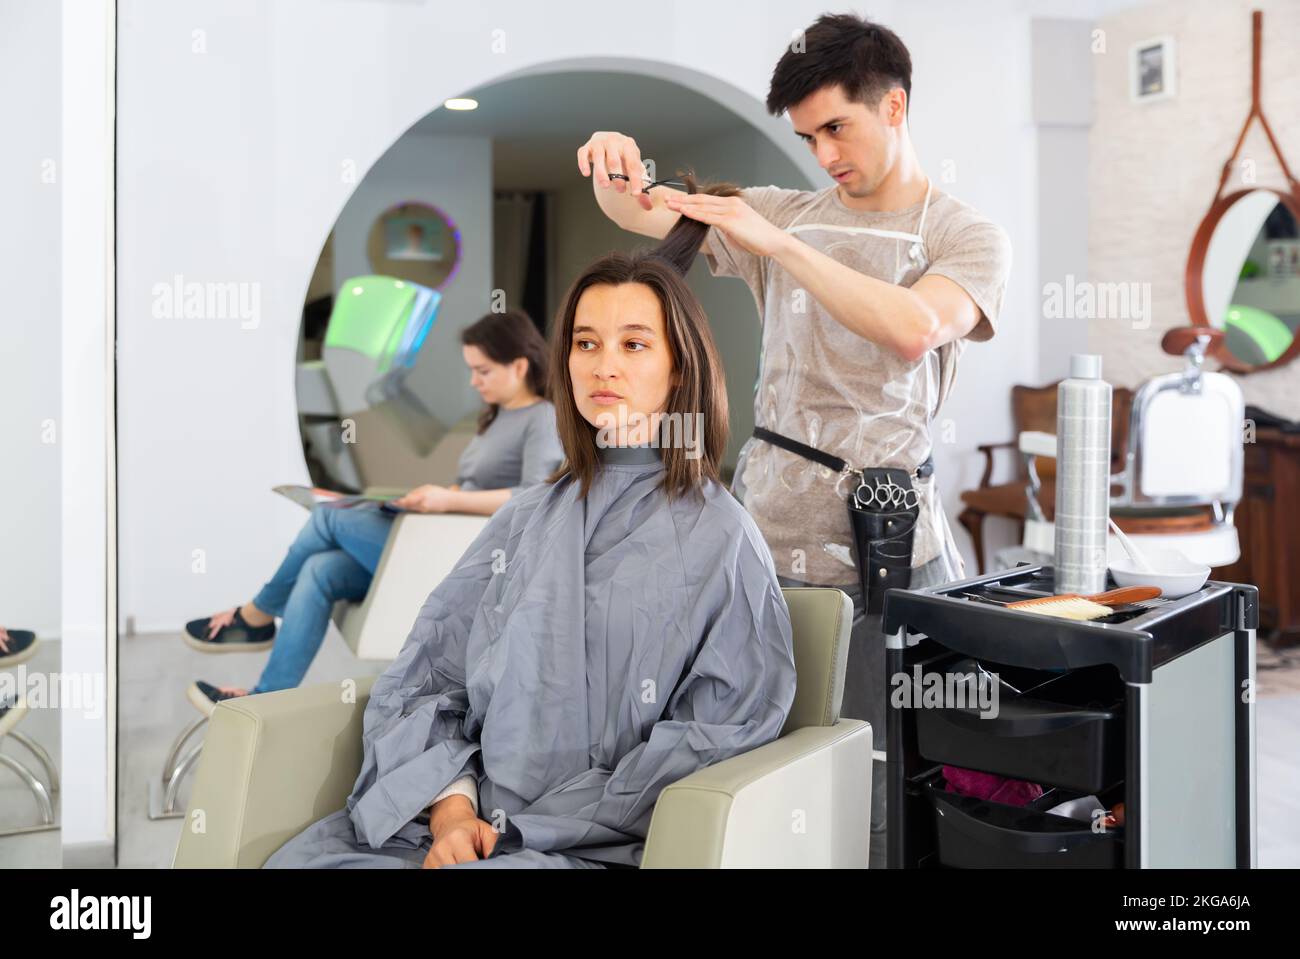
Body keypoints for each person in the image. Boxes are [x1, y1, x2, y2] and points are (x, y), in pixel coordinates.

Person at [580, 13, 1012, 867]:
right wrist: (609, 162)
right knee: (754, 759)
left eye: (836, 128)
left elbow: (916, 326)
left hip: (887, 546)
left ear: (894, 106)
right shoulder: (785, 213)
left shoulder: (962, 234)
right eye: (808, 136)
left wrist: (782, 244)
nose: (823, 154)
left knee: (877, 767)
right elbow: (643, 210)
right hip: (763, 537)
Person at [264, 179, 797, 869]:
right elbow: (430, 676)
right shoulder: (527, 515)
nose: (603, 365)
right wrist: (453, 810)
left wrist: (530, 829)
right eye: (584, 342)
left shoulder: (723, 539)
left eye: (634, 345)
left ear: (679, 369)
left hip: (588, 844)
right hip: (454, 827)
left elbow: (716, 735)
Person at [183, 310, 563, 715]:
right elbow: (479, 487)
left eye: (482, 371)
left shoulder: (541, 418)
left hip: (463, 556)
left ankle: (255, 616)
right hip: (434, 534)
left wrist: (449, 501)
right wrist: (440, 495)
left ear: (519, 365)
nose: (474, 381)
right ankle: (265, 698)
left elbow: (535, 496)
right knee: (320, 569)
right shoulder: (498, 418)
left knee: (327, 517)